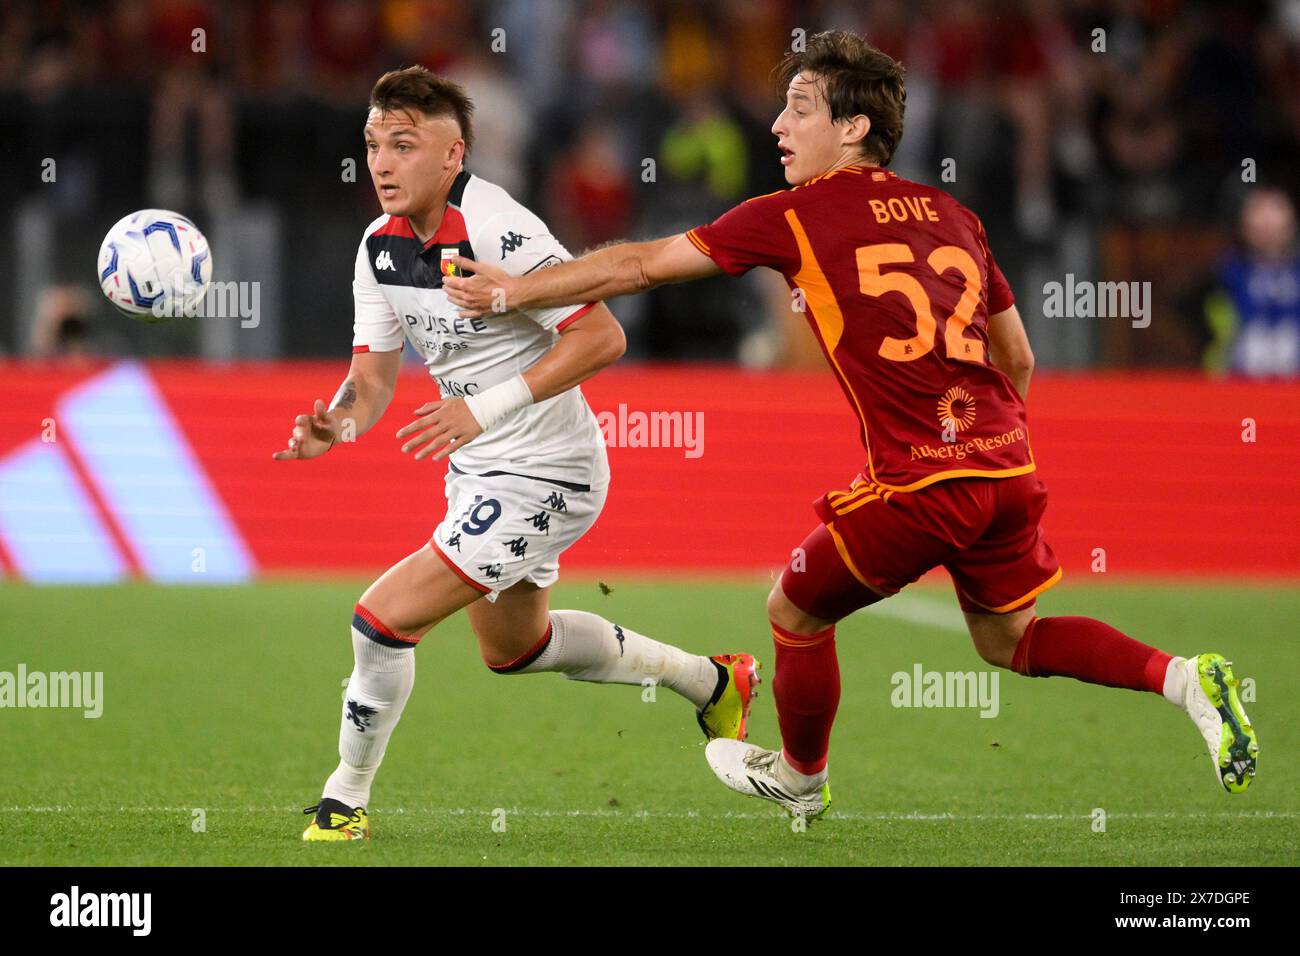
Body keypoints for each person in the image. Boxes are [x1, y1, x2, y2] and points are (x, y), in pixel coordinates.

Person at [443, 32, 1259, 816]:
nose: (777, 126)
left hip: (925, 483)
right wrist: (985, 446)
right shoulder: (956, 216)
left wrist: (515, 290)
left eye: (799, 108)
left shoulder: (797, 215)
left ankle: (800, 778)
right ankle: (1183, 678)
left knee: (794, 610)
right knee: (1010, 639)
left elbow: (642, 263)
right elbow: (1019, 359)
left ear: (853, 128)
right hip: (1007, 469)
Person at [274, 67, 760, 841]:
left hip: (550, 472)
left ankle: (345, 800)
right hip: (480, 474)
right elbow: (370, 378)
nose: (383, 163)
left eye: (404, 144)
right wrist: (338, 424)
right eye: (372, 145)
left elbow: (603, 336)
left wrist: (483, 408)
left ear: (452, 154)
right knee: (516, 649)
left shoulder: (498, 226)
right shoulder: (378, 248)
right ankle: (712, 681)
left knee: (380, 622)